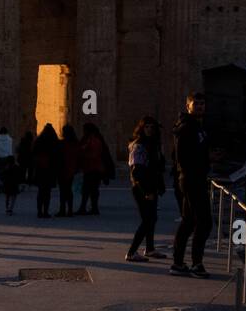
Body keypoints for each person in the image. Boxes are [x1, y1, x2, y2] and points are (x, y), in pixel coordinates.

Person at [171, 93, 212, 278]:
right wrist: (194, 172)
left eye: (203, 104)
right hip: (191, 179)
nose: (200, 107)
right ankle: (197, 263)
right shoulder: (186, 127)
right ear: (188, 106)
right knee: (204, 221)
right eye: (196, 104)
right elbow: (182, 157)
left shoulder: (198, 127)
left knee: (188, 221)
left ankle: (178, 263)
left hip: (195, 178)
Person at [125, 116, 167, 262]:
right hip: (141, 188)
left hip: (152, 186)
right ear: (142, 129)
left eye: (152, 127)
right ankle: (131, 252)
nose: (149, 130)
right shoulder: (138, 146)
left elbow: (158, 167)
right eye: (146, 127)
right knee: (147, 220)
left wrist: (159, 185)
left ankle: (149, 248)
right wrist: (145, 192)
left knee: (152, 218)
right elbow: (136, 172)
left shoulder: (154, 144)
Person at [76, 122, 115, 216]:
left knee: (88, 189)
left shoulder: (93, 140)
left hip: (93, 168)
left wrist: (83, 154)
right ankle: (92, 208)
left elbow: (94, 154)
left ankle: (88, 208)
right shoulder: (95, 139)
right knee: (92, 189)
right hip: (94, 168)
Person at [32, 124, 60, 218]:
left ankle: (39, 211)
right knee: (47, 192)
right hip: (50, 170)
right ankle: (45, 211)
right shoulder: (54, 142)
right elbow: (57, 157)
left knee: (41, 191)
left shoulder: (39, 141)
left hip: (40, 169)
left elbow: (33, 154)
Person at [57, 124, 80, 216]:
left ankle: (63, 210)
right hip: (71, 169)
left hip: (63, 169)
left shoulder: (62, 144)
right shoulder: (75, 143)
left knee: (63, 190)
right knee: (68, 190)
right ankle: (69, 210)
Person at [0, 128, 14, 192]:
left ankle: (0, 186)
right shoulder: (10, 139)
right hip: (8, 158)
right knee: (7, 173)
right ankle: (5, 186)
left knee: (0, 173)